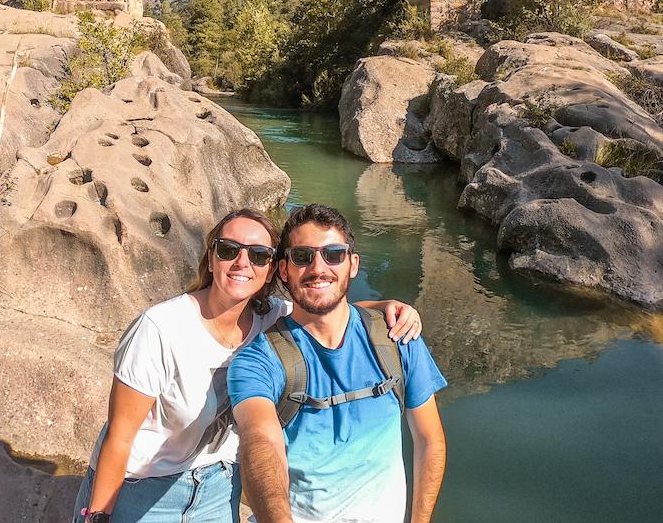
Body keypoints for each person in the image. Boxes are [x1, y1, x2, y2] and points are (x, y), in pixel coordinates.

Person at [73, 207, 423, 523]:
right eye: (228, 250)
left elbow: (326, 306)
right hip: (144, 488)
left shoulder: (268, 315)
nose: (243, 263)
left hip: (219, 488)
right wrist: (99, 515)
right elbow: (119, 438)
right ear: (211, 259)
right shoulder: (161, 329)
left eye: (258, 255)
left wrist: (387, 306)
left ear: (273, 269)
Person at [228, 203, 447, 523]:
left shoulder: (397, 339)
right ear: (285, 270)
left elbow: (430, 440)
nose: (319, 268)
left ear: (352, 264)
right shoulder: (258, 360)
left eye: (333, 254)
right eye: (303, 256)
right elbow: (260, 442)